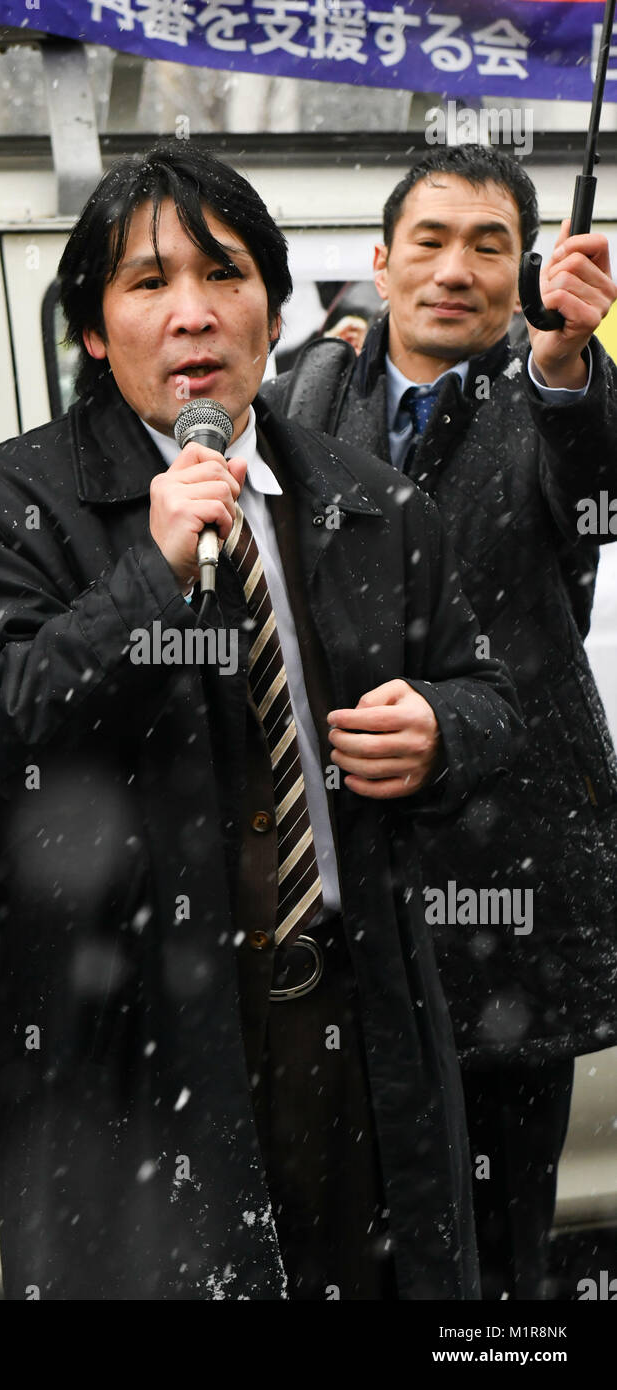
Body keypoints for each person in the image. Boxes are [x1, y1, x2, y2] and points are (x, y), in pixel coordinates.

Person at [0, 144, 522, 1301]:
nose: (191, 314)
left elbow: (493, 697)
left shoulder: (371, 502)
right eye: (147, 285)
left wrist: (442, 729)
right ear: (92, 330)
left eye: (224, 274)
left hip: (355, 1021)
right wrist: (149, 569)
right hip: (137, 1041)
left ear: (274, 307)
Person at [264, 143, 617, 1300]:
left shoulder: (555, 397)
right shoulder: (314, 396)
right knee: (344, 1250)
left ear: (528, 273)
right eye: (428, 240)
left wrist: (568, 361)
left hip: (506, 900)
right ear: (379, 260)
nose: (454, 268)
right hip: (339, 902)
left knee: (493, 1256)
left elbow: (592, 487)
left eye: (489, 246)